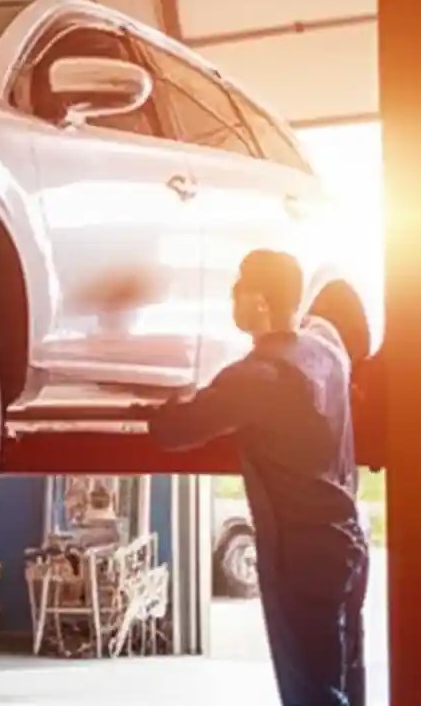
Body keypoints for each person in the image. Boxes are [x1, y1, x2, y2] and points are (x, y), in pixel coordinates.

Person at [146, 250, 369, 706]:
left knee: (312, 693)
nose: (231, 295)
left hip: (301, 553)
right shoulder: (326, 353)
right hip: (348, 542)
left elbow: (173, 431)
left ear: (262, 302)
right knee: (345, 680)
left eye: (239, 286)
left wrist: (160, 396)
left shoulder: (257, 376)